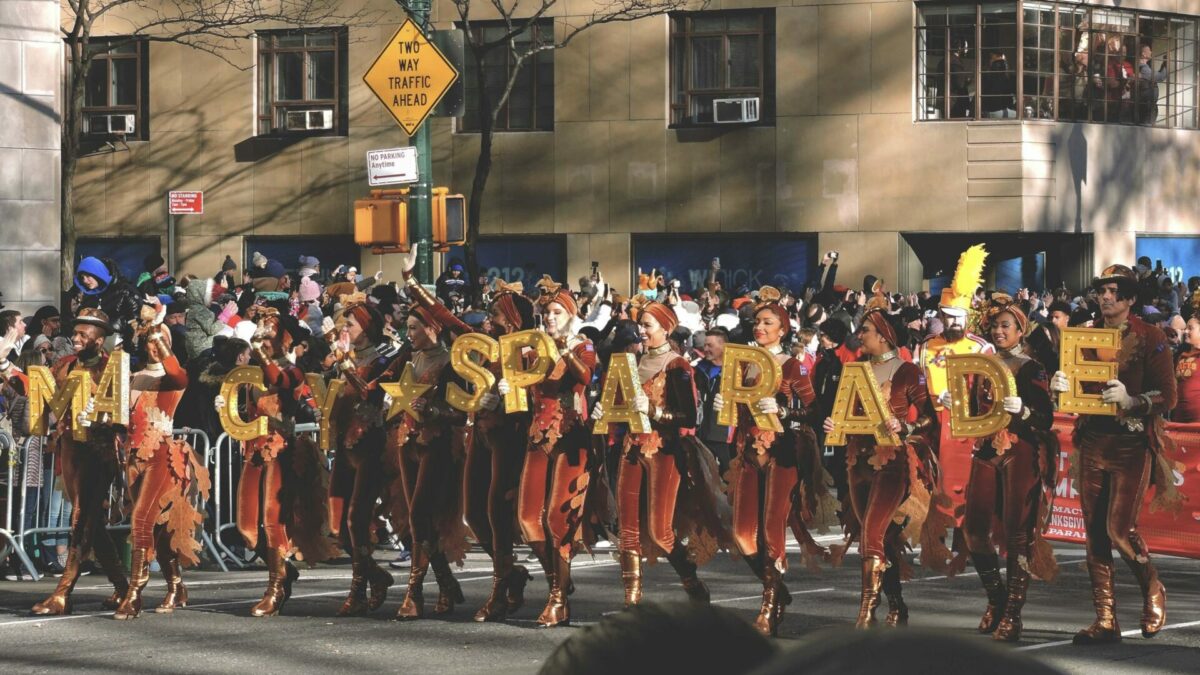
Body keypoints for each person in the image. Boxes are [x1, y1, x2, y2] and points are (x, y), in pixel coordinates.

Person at [401, 250, 536, 622]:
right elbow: (448, 318)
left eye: (494, 316)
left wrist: (515, 395)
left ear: (511, 319)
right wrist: (413, 283)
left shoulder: (532, 350)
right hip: (480, 434)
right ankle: (512, 576)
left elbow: (551, 392)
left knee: (496, 513)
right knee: (475, 515)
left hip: (511, 437)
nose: (488, 322)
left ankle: (503, 590)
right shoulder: (482, 343)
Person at [1050, 264, 1178, 644]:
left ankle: (1152, 586)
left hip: (1131, 445)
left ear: (1130, 299)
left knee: (1119, 530)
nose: (1105, 296)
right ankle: (1106, 619)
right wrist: (1060, 385)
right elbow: (1074, 390)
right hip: (1091, 441)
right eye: (1102, 290)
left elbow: (1167, 396)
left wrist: (1133, 399)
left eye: (1114, 291)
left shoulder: (1151, 335)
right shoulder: (1083, 335)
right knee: (1095, 536)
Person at [593, 301, 726, 608]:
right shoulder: (629, 362)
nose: (642, 330)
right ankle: (632, 602)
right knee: (627, 528)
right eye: (640, 325)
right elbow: (616, 407)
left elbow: (689, 417)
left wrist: (654, 410)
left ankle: (691, 580)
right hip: (631, 448)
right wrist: (604, 411)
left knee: (659, 531)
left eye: (648, 325)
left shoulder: (678, 365)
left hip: (664, 451)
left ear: (666, 328)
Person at [715, 286, 826, 636]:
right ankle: (779, 590)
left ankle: (768, 606)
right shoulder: (744, 363)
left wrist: (784, 410)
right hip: (749, 453)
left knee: (771, 530)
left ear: (783, 329)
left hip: (784, 453)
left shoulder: (792, 365)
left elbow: (814, 410)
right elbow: (736, 405)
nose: (759, 327)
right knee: (743, 536)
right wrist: (725, 407)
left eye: (767, 322)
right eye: (757, 322)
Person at [823, 309, 939, 629]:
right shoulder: (855, 369)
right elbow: (844, 413)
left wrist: (904, 424)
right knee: (879, 538)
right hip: (856, 462)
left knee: (871, 533)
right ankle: (897, 605)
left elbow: (929, 417)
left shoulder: (907, 370)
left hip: (892, 460)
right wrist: (835, 423)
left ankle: (865, 614)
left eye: (865, 330)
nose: (859, 335)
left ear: (884, 335)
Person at [954, 295, 1057, 642]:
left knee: (1017, 534)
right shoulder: (983, 365)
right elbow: (971, 412)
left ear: (1020, 330)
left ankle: (1013, 612)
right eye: (995, 326)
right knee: (973, 529)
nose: (998, 331)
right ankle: (997, 599)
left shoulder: (1032, 368)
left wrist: (1024, 411)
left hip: (1021, 451)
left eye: (1005, 326)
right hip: (986, 450)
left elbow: (1046, 418)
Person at [227, 311, 337, 617]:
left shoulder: (294, 371)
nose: (265, 335)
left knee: (273, 521)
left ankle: (275, 587)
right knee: (247, 529)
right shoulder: (252, 372)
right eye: (263, 330)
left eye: (271, 331)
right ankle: (285, 570)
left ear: (285, 338)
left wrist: (260, 351)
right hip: (254, 451)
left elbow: (279, 380)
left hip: (281, 452)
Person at [508, 275, 598, 627]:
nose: (549, 317)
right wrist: (505, 383)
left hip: (572, 438)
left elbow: (587, 378)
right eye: (546, 312)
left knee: (556, 520)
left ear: (571, 315)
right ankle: (559, 580)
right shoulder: (531, 349)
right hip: (537, 436)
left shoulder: (583, 345)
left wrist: (562, 348)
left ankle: (558, 598)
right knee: (529, 520)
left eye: (557, 311)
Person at [113, 303, 211, 619]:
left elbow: (179, 375)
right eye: (151, 342)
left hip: (162, 458)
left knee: (141, 518)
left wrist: (157, 331)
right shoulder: (133, 376)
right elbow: (119, 417)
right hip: (132, 458)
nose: (155, 348)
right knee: (157, 531)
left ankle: (134, 591)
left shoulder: (173, 380)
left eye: (162, 342)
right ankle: (176, 585)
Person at [31, 309, 130, 615]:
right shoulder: (63, 365)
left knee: (81, 519)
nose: (75, 339)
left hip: (98, 455)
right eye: (75, 334)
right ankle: (124, 589)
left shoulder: (112, 368)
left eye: (83, 335)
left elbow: (122, 415)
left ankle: (62, 593)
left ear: (99, 340)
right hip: (70, 453)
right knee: (91, 524)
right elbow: (47, 398)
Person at [382, 294, 472, 620]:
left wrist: (433, 409)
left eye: (415, 328)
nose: (409, 334)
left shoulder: (452, 362)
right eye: (406, 328)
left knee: (421, 513)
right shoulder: (408, 357)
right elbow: (377, 385)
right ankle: (446, 583)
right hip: (407, 442)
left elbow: (462, 411)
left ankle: (414, 593)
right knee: (415, 518)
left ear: (433, 328)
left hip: (438, 444)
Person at [326, 301, 404, 616]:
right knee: (337, 526)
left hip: (372, 446)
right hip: (346, 448)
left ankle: (358, 589)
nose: (345, 330)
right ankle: (376, 575)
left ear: (366, 326)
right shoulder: (344, 359)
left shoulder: (387, 357)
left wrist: (345, 365)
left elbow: (370, 393)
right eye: (343, 325)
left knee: (357, 520)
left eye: (350, 325)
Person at [694, 326, 731, 473]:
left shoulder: (734, 371)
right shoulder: (699, 369)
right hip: (702, 431)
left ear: (723, 346)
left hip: (724, 435)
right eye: (705, 345)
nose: (705, 349)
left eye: (710, 345)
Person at [1174, 316, 1200, 422]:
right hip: (1178, 418)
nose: (1185, 331)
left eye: (1190, 328)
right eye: (1185, 328)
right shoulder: (1180, 356)